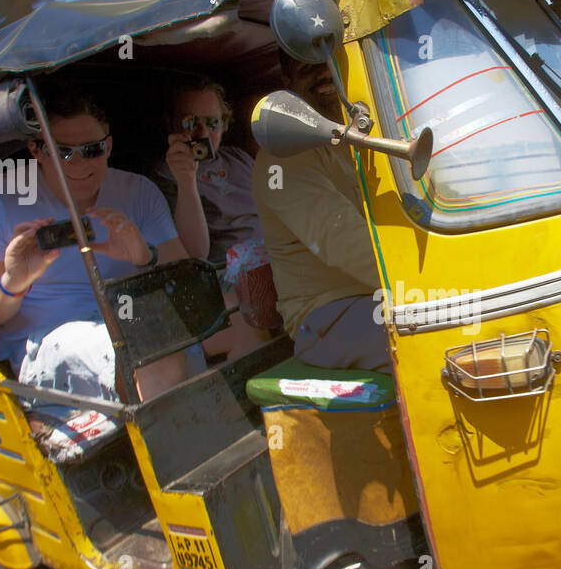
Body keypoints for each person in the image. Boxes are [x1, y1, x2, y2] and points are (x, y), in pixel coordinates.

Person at [0, 87, 191, 402]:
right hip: (48, 341)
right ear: (36, 150)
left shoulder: (137, 191)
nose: (80, 163)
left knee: (244, 318)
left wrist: (144, 257)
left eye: (92, 149)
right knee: (154, 352)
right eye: (63, 151)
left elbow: (185, 278)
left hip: (134, 317)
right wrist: (15, 280)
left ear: (108, 147)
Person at [250, 55, 391, 373]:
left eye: (332, 61)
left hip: (381, 296)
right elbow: (344, 243)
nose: (324, 72)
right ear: (289, 84)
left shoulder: (358, 137)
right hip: (327, 316)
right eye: (308, 66)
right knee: (446, 331)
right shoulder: (281, 158)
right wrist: (429, 280)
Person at [156, 74, 271, 359]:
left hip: (274, 259)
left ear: (225, 124)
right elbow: (195, 253)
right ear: (171, 124)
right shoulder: (162, 174)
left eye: (212, 122)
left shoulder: (239, 159)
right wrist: (186, 180)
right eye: (190, 123)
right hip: (222, 276)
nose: (202, 133)